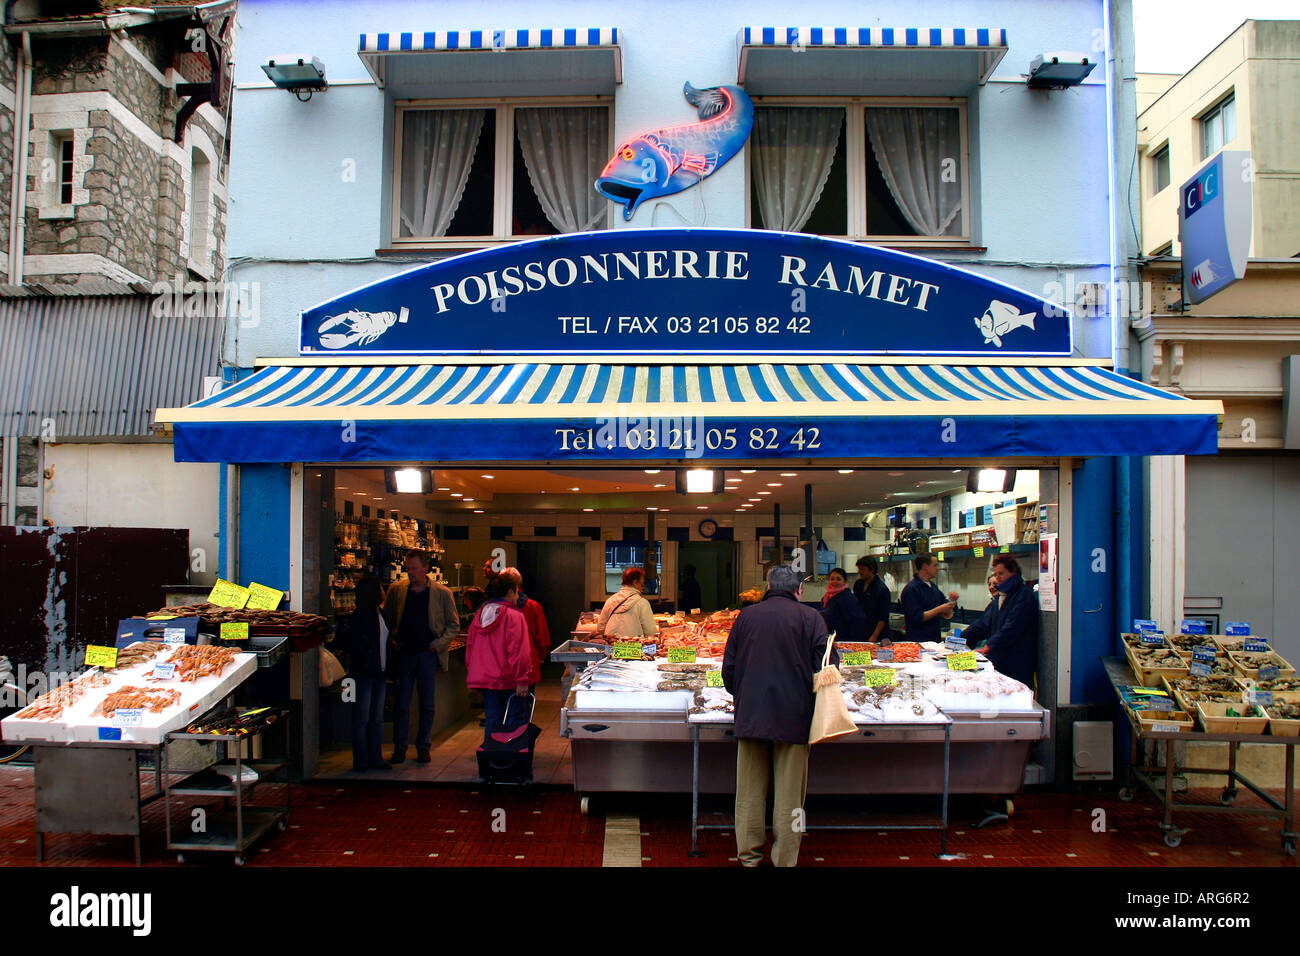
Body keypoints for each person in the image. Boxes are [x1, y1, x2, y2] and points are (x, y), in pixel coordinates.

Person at [722, 565, 832, 868]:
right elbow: (826, 668)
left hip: (751, 715)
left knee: (748, 795)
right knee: (791, 800)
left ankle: (748, 857)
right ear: (799, 590)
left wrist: (746, 697)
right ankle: (785, 858)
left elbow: (728, 670)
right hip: (795, 718)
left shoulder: (746, 617)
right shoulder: (812, 619)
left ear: (767, 586)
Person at [382, 551, 459, 764]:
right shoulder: (397, 590)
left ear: (425, 568)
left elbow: (453, 625)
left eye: (414, 568)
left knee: (427, 703)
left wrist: (437, 645)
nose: (411, 572)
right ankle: (400, 746)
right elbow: (386, 618)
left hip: (427, 653)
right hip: (404, 653)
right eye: (408, 568)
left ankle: (423, 746)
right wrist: (393, 641)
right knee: (402, 703)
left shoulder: (442, 593)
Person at [465, 575, 534, 743]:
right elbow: (519, 650)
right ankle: (510, 763)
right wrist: (522, 678)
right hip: (508, 679)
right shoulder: (513, 616)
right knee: (514, 724)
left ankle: (491, 763)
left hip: (486, 679)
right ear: (511, 592)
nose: (518, 596)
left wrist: (474, 672)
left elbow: (470, 648)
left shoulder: (480, 615)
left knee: (492, 720)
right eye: (517, 592)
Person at [962, 554, 1039, 690]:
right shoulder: (1000, 597)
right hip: (999, 661)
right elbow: (983, 624)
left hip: (1017, 664)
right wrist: (960, 640)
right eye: (996, 574)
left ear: (1014, 573)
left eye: (1001, 574)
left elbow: (1012, 627)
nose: (997, 578)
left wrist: (988, 646)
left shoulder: (1024, 596)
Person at [339, 576, 391, 772]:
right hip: (364, 673)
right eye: (380, 588)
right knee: (362, 717)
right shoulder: (362, 616)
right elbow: (354, 642)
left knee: (375, 717)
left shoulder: (380, 614)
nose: (384, 590)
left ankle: (374, 757)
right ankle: (362, 760)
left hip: (378, 671)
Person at [498, 567, 551, 691]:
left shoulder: (491, 608)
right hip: (527, 667)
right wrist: (539, 659)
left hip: (498, 669)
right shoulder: (533, 607)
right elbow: (544, 640)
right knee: (522, 707)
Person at [899, 552, 957, 643]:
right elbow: (916, 618)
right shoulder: (911, 589)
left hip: (934, 640)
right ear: (925, 566)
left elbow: (945, 608)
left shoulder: (933, 587)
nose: (938, 568)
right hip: (918, 642)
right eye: (935, 565)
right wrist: (939, 609)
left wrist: (952, 601)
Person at [596, 567, 657, 638]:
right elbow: (650, 631)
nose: (643, 587)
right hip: (633, 645)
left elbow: (600, 628)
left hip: (611, 644)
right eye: (642, 584)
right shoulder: (642, 603)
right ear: (635, 582)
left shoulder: (610, 600)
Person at [820, 567, 867, 643]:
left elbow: (858, 622)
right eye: (832, 579)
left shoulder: (847, 598)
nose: (834, 581)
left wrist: (852, 644)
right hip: (833, 640)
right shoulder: (828, 597)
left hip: (845, 642)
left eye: (838, 579)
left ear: (844, 581)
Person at [852, 556, 892, 644]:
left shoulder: (882, 589)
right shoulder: (858, 585)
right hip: (862, 632)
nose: (859, 572)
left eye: (862, 569)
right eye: (859, 569)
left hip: (878, 635)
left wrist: (874, 636)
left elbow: (883, 617)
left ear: (872, 570)